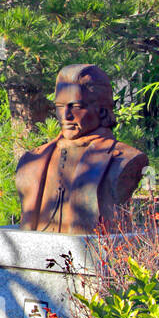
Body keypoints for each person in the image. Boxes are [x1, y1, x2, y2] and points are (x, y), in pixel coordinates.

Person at [15, 64, 148, 234]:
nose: (66, 116)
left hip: (91, 255)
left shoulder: (125, 159)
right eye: (60, 106)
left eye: (76, 106)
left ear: (102, 108)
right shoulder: (32, 160)